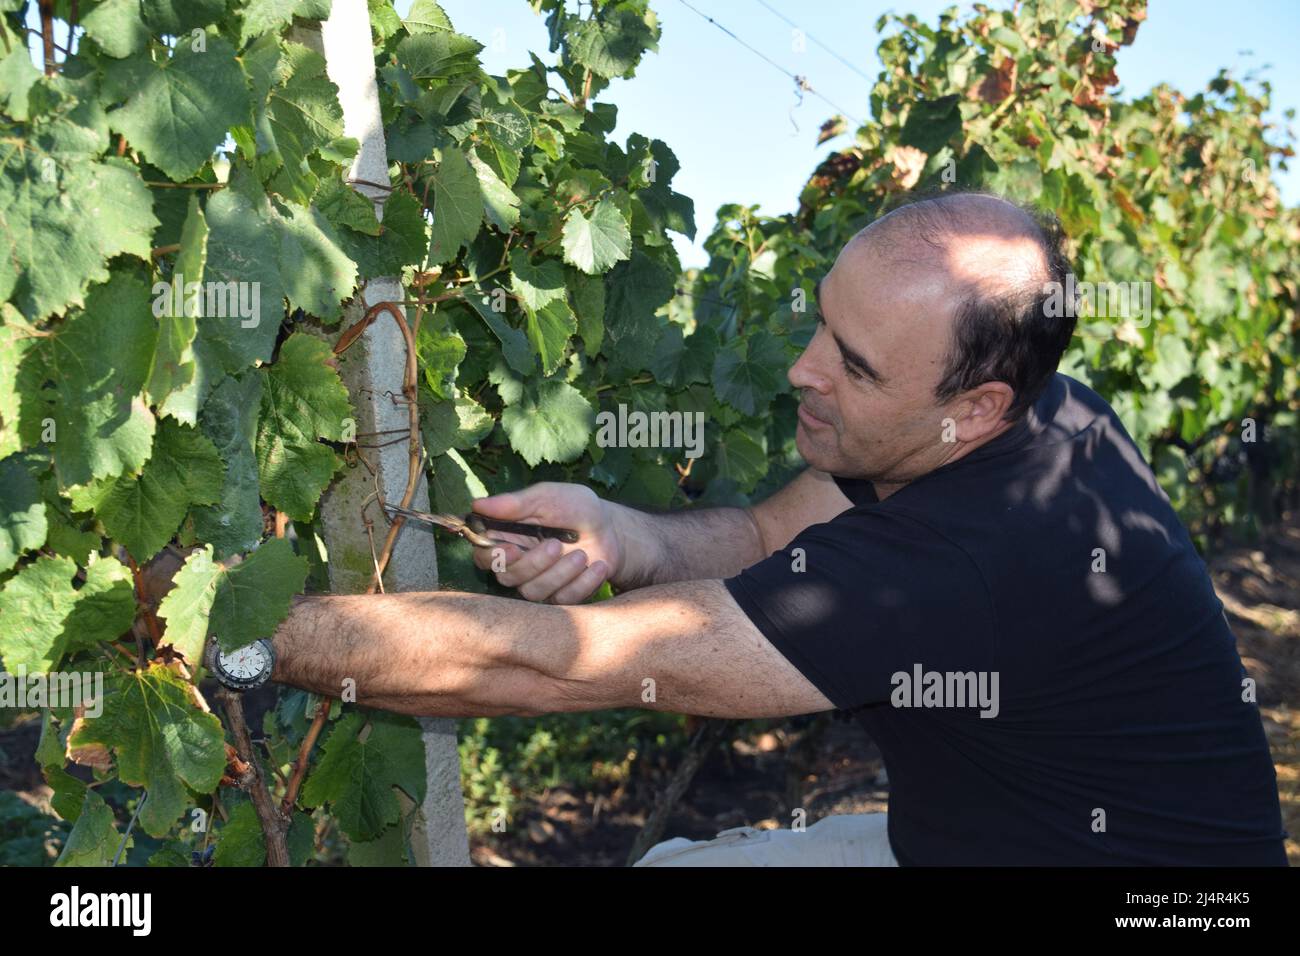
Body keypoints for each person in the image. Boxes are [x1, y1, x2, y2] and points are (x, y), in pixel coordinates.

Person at [270, 192, 1288, 866]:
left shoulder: (957, 565)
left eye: (855, 364)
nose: (804, 368)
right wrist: (625, 535)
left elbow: (560, 664)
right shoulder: (1040, 409)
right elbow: (768, 534)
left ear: (973, 405)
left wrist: (254, 631)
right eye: (819, 324)